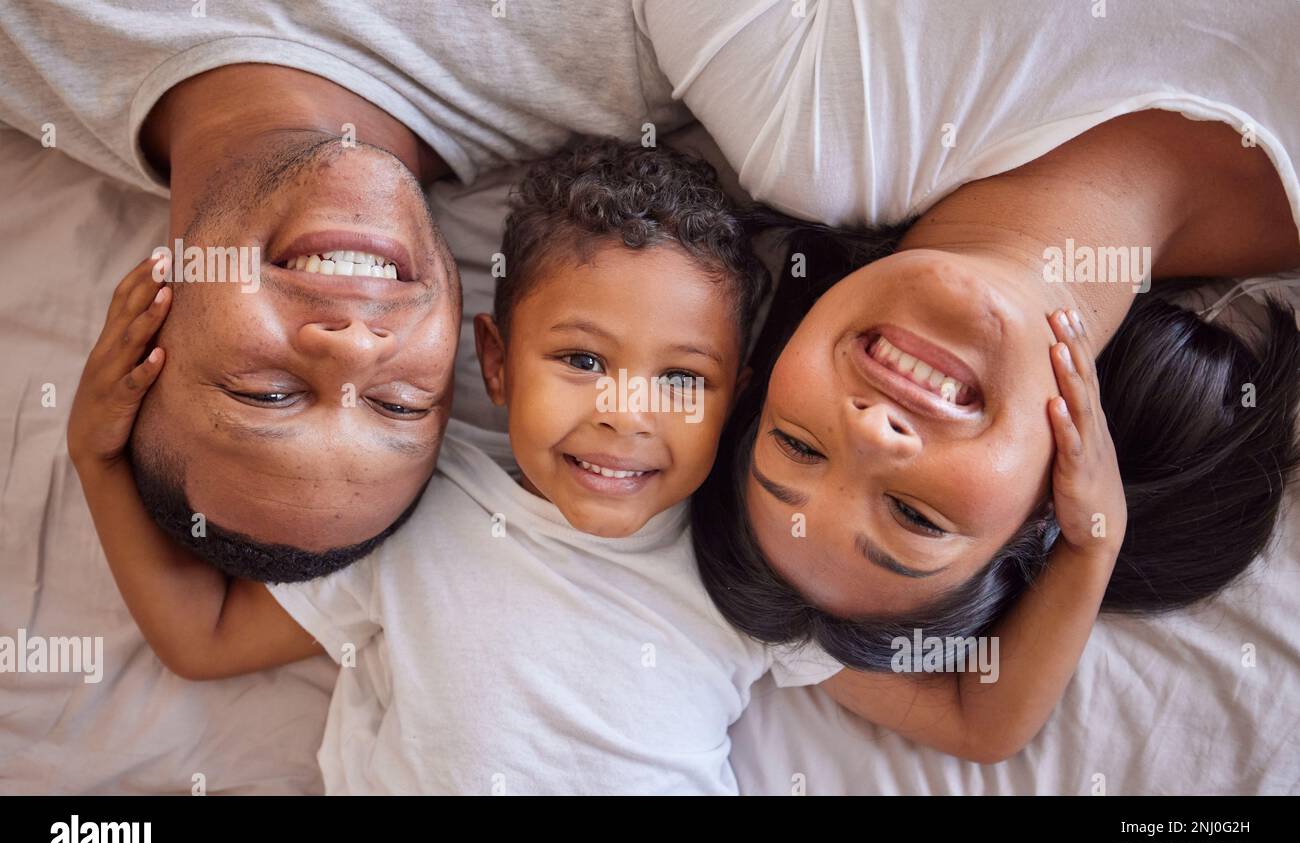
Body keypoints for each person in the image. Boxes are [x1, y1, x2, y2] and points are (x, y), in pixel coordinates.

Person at [69, 139, 1126, 791]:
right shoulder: (416, 521)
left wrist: (1090, 542)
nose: (625, 415)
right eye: (580, 359)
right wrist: (96, 453)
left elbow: (981, 721)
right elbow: (200, 637)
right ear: (493, 358)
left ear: (739, 391)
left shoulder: (744, 577)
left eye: (683, 380)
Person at [641, 0, 1300, 665]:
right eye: (916, 517)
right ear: (1048, 507)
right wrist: (1091, 549)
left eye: (799, 446)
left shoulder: (808, 129)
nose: (872, 434)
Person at [1, 1, 690, 579]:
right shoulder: (636, 58)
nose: (356, 346)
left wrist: (94, 455)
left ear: (141, 337)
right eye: (398, 402)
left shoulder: (29, 45)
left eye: (267, 394)